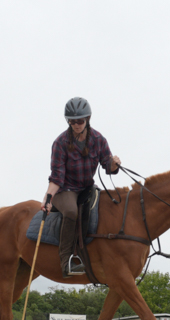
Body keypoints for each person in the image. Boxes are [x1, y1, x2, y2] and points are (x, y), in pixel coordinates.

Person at [43, 97, 121, 277]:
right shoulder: (60, 143)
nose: (76, 124)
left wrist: (114, 164)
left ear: (88, 119)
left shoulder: (99, 139)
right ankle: (66, 261)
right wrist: (48, 198)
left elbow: (107, 166)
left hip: (87, 187)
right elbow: (57, 177)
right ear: (68, 121)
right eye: (72, 121)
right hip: (65, 189)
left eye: (80, 121)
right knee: (71, 212)